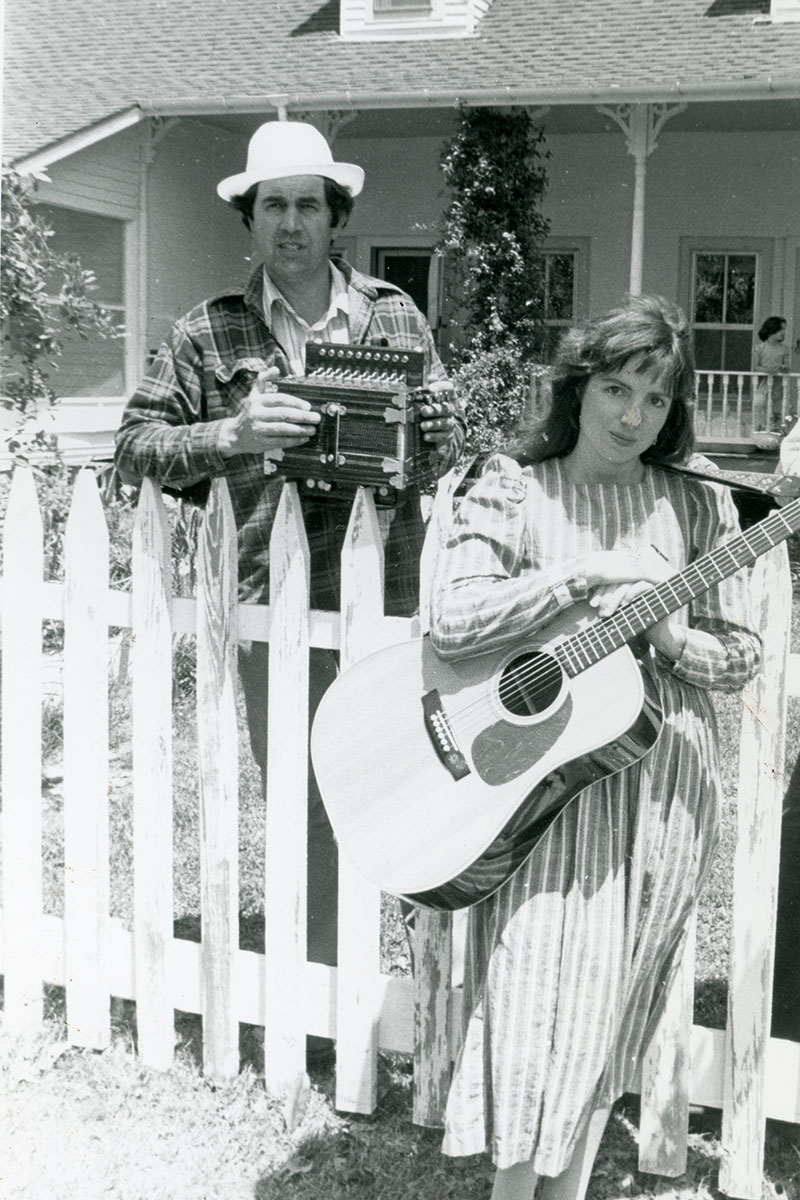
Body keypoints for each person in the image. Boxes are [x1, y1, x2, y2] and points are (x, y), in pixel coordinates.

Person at [427, 295, 761, 1200]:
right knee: (534, 1005)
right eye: (616, 388)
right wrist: (584, 577)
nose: (631, 418)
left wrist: (669, 639)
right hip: (540, 800)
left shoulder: (696, 503)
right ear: (578, 386)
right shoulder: (512, 486)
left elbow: (742, 652)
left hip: (660, 796)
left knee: (605, 1023)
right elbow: (454, 618)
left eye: (656, 402)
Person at [114, 120, 465, 981]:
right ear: (250, 219)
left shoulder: (394, 313)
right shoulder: (208, 332)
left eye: (309, 204)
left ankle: (407, 972)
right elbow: (132, 447)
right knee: (305, 793)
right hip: (273, 592)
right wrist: (232, 431)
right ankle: (318, 984)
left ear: (335, 216)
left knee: (402, 774)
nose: (293, 223)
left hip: (385, 588)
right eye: (274, 205)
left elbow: (439, 447)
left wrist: (441, 428)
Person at [752, 315, 789, 431]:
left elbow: (787, 366)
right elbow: (755, 367)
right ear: (772, 329)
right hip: (764, 382)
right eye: (780, 329)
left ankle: (775, 430)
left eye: (784, 330)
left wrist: (783, 369)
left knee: (776, 408)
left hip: (778, 382)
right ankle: (760, 427)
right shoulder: (759, 348)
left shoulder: (784, 349)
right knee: (758, 404)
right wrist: (767, 370)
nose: (783, 333)